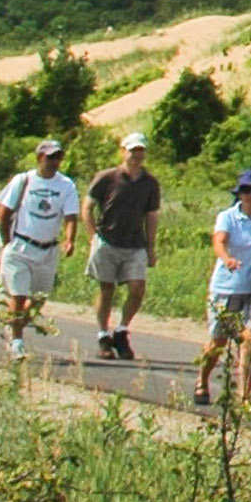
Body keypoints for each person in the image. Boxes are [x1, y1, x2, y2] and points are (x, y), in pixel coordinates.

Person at [0, 137, 87, 357]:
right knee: (19, 296)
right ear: (40, 157)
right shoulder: (23, 181)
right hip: (21, 247)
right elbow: (3, 215)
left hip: (47, 251)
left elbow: (70, 216)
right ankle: (17, 343)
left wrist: (69, 240)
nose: (54, 162)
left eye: (58, 157)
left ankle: (14, 326)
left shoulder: (66, 185)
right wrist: (8, 243)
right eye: (50, 157)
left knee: (38, 298)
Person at [195, 172, 251, 411]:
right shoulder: (228, 217)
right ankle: (202, 380)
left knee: (250, 340)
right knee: (218, 341)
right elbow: (219, 241)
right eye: (247, 191)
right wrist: (227, 259)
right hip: (226, 287)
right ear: (240, 194)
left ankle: (244, 395)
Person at [85, 132, 162, 359]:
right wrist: (93, 237)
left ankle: (122, 330)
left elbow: (151, 216)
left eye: (140, 151)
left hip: (135, 243)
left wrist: (151, 247)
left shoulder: (150, 183)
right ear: (123, 151)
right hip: (108, 241)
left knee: (137, 288)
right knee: (106, 289)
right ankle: (102, 335)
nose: (136, 156)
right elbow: (87, 207)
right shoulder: (107, 177)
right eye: (132, 151)